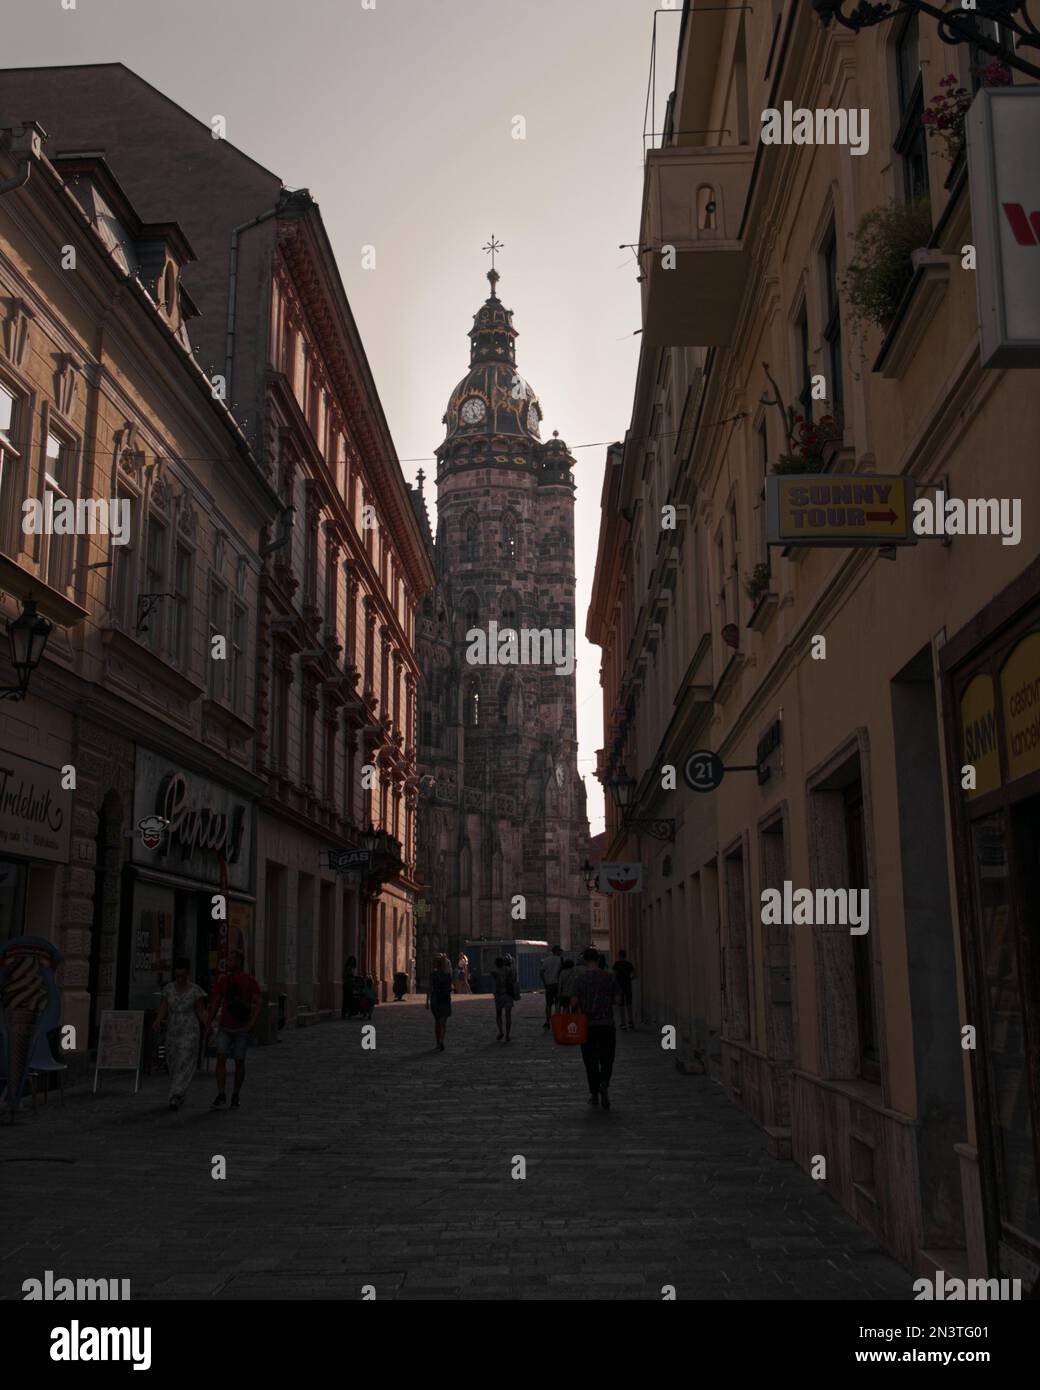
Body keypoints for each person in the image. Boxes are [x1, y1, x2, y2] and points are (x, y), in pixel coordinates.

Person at [206, 948, 261, 1110]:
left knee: (239, 1061)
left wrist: (252, 1022)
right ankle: (221, 1093)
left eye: (230, 960)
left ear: (238, 962)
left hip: (242, 1027)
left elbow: (259, 1001)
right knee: (221, 1058)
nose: (227, 963)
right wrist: (209, 1023)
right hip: (224, 1026)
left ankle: (235, 1094)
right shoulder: (223, 980)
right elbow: (216, 1002)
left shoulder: (249, 981)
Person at [570, 948, 622, 1110]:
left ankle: (594, 1093)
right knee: (607, 1058)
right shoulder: (609, 977)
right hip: (607, 1024)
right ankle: (604, 1082)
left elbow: (573, 1003)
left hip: (588, 1026)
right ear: (599, 960)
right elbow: (619, 1000)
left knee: (590, 1060)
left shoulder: (580, 979)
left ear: (585, 960)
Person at [153, 958, 207, 1110]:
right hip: (173, 1031)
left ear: (188, 973)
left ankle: (175, 1094)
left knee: (185, 1059)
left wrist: (209, 1025)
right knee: (174, 1062)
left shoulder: (195, 991)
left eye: (183, 975)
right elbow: (163, 1007)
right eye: (178, 976)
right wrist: (157, 1020)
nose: (180, 979)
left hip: (190, 1030)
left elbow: (201, 1011)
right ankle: (180, 1092)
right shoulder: (168, 989)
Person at [427, 953, 453, 1051]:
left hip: (435, 999)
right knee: (443, 1023)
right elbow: (450, 988)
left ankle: (438, 1042)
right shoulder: (447, 975)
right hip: (445, 999)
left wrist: (427, 1001)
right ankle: (442, 1040)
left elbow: (430, 988)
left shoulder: (433, 974)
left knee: (437, 1022)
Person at [491, 955, 520, 1042]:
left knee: (498, 1014)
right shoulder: (509, 970)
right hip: (508, 994)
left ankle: (500, 1031)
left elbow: (496, 983)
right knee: (508, 1016)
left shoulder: (494, 971)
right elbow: (514, 977)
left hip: (499, 995)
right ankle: (508, 1035)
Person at [540, 944, 563, 1029]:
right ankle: (557, 1021)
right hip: (557, 984)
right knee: (558, 1003)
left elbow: (541, 972)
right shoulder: (560, 959)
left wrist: (545, 982)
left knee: (548, 1004)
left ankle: (547, 1021)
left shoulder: (546, 960)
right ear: (558, 951)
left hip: (549, 985)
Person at [613, 949, 636, 1031]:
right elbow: (634, 974)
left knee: (621, 1005)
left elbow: (614, 975)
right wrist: (630, 978)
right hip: (628, 986)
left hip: (619, 986)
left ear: (619, 955)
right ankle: (630, 1022)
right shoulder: (629, 964)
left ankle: (623, 1023)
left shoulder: (616, 964)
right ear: (625, 955)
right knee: (629, 1003)